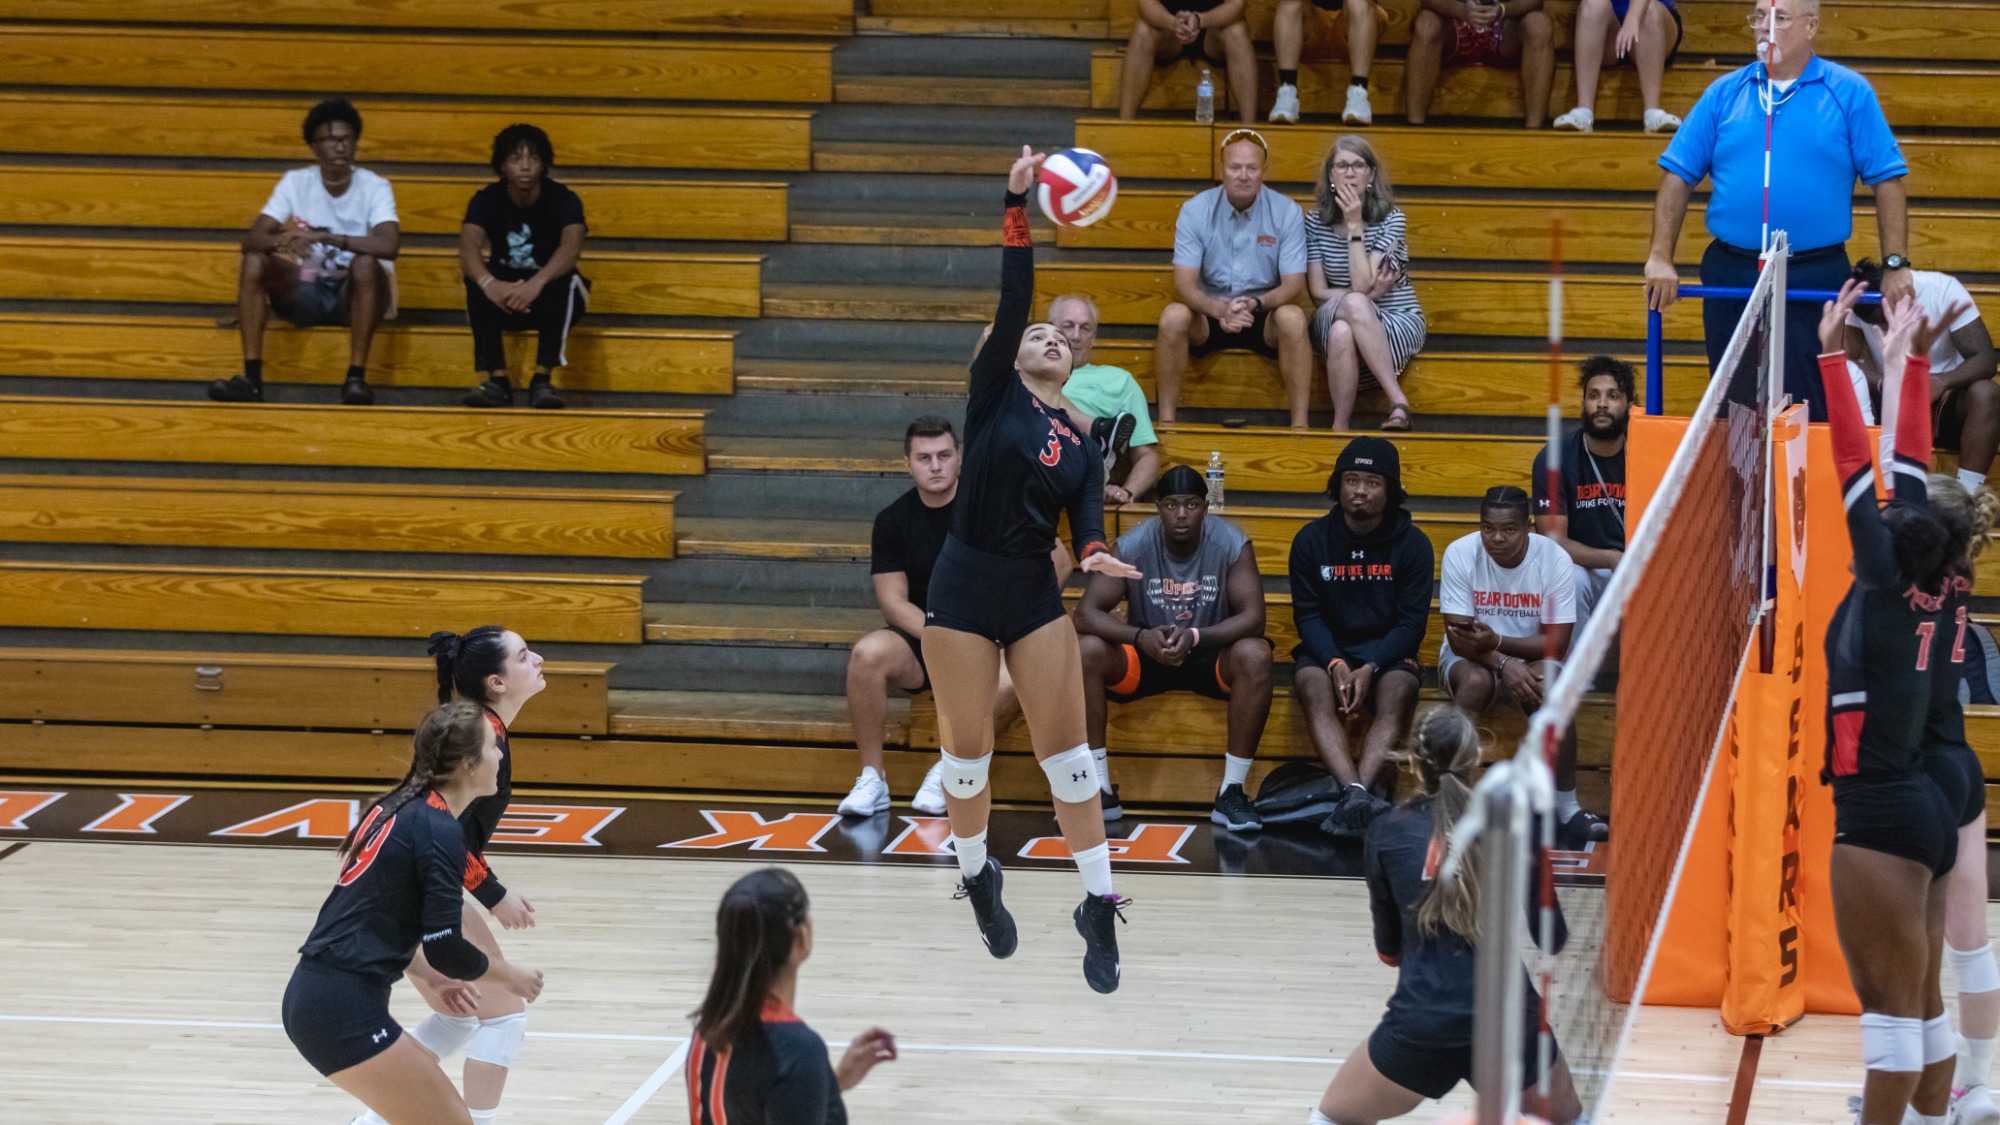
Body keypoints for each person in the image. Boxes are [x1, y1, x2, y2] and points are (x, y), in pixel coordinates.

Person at [922, 147, 1143, 994]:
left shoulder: (1083, 444)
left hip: (1030, 592)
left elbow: (1084, 529)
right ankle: (978, 875)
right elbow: (1015, 297)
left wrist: (1096, 553)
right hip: (962, 586)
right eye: (1038, 334)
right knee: (967, 755)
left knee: (1072, 759)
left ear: (1074, 365)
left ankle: (1098, 903)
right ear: (1014, 355)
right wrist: (1014, 202)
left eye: (1062, 337)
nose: (1050, 337)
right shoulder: (994, 393)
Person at [1815, 281, 1971, 1125]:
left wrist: (1832, 358)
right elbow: (1904, 459)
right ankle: (1932, 1119)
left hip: (1880, 810)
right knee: (1922, 998)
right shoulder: (1934, 568)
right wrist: (1905, 362)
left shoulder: (1879, 580)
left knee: (1891, 1013)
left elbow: (1853, 463)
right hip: (1926, 801)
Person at [1308, 706, 1581, 1125]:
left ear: (1413, 762)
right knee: (1571, 1120)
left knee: (1330, 1118)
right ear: (1475, 760)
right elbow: (1551, 939)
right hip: (1509, 1022)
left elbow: (1389, 951)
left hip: (1423, 1026)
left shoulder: (1385, 831)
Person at [1644, 0, 1911, 423]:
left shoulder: (1849, 92)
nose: (1765, 27)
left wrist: (1895, 264)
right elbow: (1677, 175)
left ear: (1811, 27)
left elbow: (1887, 181)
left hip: (1813, 274)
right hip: (1732, 272)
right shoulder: (1723, 93)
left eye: (1780, 17)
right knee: (1736, 413)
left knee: (1809, 409)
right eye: (1759, 16)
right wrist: (1660, 255)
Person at [282, 702, 544, 1125]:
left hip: (319, 996)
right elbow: (446, 947)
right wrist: (509, 975)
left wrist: (430, 976)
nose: (500, 755)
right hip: (340, 1009)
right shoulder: (438, 830)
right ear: (468, 763)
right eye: (492, 747)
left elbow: (371, 917)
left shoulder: (401, 806)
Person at [362, 627, 547, 1125]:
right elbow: (445, 834)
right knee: (504, 1016)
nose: (538, 659)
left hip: (402, 888)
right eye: (524, 656)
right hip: (416, 890)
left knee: (457, 1015)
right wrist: (494, 893)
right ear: (496, 682)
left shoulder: (479, 730)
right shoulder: (480, 739)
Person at [841, 416, 1048, 820]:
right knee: (867, 654)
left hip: (990, 636)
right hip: (925, 636)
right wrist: (945, 636)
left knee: (1013, 677)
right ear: (907, 464)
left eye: (943, 455)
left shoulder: (992, 507)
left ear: (960, 458)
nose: (935, 466)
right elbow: (892, 602)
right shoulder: (892, 520)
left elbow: (1055, 561)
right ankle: (872, 779)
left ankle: (951, 769)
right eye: (924, 458)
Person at [1072, 464, 1272, 831]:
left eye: (1191, 505)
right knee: (1087, 650)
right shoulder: (1134, 544)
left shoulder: (1231, 542)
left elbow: (1254, 619)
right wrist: (1139, 637)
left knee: (1255, 653)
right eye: (1171, 505)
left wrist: (1195, 636)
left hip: (1207, 653)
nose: (1181, 514)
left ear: (1205, 507)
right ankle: (1098, 788)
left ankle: (1231, 791)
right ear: (1158, 508)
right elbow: (1085, 614)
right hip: (1146, 654)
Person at [1439, 486, 1607, 846]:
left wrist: (1499, 646)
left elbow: (1556, 645)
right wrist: (1503, 664)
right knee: (1475, 683)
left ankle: (1567, 807)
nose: (1497, 538)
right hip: (1471, 658)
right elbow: (1459, 639)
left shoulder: (1554, 559)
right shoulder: (1460, 553)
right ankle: (1451, 799)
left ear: (1528, 527)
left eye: (1509, 529)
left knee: (1554, 690)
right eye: (1488, 528)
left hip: (1531, 657)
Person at [211, 98, 399, 406]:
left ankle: (356, 378)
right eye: (331, 140)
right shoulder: (295, 182)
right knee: (255, 260)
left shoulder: (375, 186)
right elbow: (253, 239)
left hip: (354, 293)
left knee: (365, 264)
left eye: (347, 139)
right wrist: (284, 242)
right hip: (308, 288)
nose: (341, 147)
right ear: (314, 146)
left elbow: (389, 246)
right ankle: (252, 380)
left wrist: (329, 238)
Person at [1289, 437, 1432, 838]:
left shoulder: (1414, 544)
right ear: (1338, 485)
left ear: (1390, 489)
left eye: (1372, 482)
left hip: (1386, 651)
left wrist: (1371, 665)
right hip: (1329, 649)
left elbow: (1411, 624)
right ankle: (1356, 793)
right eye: (1352, 479)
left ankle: (1356, 793)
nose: (1360, 490)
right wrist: (1335, 662)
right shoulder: (1310, 540)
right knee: (1311, 683)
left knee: (1399, 689)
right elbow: (1308, 616)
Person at [687, 868, 898, 1125]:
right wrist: (808, 1072)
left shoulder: (710, 1026)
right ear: (800, 937)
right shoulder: (797, 1051)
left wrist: (832, 1082)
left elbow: (752, 1102)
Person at [1923, 477, 2000, 1125]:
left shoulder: (1899, 596)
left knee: (1912, 953)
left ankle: (1918, 1096)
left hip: (1915, 774)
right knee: (1972, 944)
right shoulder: (1962, 584)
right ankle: (1976, 1085)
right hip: (1961, 767)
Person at [1156, 130, 1313, 428]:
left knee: (1293, 318)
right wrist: (1218, 309)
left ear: (1264, 171)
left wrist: (1256, 303)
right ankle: (1166, 422)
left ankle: (1300, 427)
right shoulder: (1195, 210)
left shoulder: (1287, 211)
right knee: (1173, 316)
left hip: (1262, 313)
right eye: (1235, 167)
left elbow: (1294, 286)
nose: (1243, 176)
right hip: (1210, 313)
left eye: (1252, 168)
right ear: (1221, 169)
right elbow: (1183, 285)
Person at [459, 124, 589, 410]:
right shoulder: (486, 199)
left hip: (547, 295)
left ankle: (543, 379)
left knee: (565, 281)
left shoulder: (563, 199)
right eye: (516, 159)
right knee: (475, 280)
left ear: (544, 164)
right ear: (503, 166)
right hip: (505, 296)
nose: (526, 166)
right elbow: (468, 247)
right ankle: (497, 381)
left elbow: (571, 247)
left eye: (534, 158)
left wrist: (536, 284)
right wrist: (490, 285)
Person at [1844, 259, 1998, 494]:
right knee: (1847, 385)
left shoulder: (1942, 290)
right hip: (1891, 401)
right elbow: (1847, 363)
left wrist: (1941, 381)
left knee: (1986, 393)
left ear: (1898, 297)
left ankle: (1968, 496)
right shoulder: (1862, 300)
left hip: (1941, 400)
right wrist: (1885, 383)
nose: (1888, 329)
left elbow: (1986, 359)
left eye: (1887, 319)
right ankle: (1869, 489)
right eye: (1878, 326)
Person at [1303, 136, 1425, 432]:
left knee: (1343, 330)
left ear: (1371, 175)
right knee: (1350, 311)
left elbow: (1360, 284)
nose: (1350, 173)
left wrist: (1355, 225)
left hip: (1395, 320)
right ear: (1330, 174)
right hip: (1333, 312)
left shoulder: (1392, 219)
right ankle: (1398, 401)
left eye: (1358, 165)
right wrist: (1364, 295)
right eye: (1342, 165)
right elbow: (1318, 291)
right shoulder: (1314, 222)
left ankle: (1339, 427)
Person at [1532, 356, 1631, 635]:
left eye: (1613, 396)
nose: (1602, 404)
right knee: (1570, 578)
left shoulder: (1645, 452)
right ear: (1583, 403)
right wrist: (1610, 558)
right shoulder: (1554, 458)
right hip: (1584, 567)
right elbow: (1553, 541)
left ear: (1629, 406)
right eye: (1593, 395)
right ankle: (1576, 666)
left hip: (1635, 566)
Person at [1052, 295, 1163, 505]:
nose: (1076, 336)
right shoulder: (1030, 372)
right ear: (1051, 330)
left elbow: (1147, 456)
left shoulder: (1119, 380)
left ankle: (1095, 436)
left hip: (1078, 463)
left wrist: (1127, 492)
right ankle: (1098, 430)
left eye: (1085, 328)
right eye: (1068, 326)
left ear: (1093, 338)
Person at [1405, 0, 1556, 130]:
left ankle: (1534, 133)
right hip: (1454, 21)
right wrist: (1461, 10)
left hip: (1505, 26)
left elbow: (1535, 2)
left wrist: (1502, 10)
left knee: (1539, 25)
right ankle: (1414, 130)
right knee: (1426, 24)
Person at [1553, 0, 1684, 134]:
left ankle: (1653, 111)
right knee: (1593, 4)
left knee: (1649, 10)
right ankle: (1583, 110)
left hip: (1654, 26)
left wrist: (1632, 18)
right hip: (1609, 30)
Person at [1118, 0, 1257, 125]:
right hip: (1169, 29)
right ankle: (1124, 127)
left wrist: (1200, 20)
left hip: (1213, 28)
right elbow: (1145, 4)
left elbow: (1237, 5)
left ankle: (1250, 130)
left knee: (1237, 32)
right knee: (1142, 31)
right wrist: (1172, 23)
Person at [1270, 0, 1382, 126]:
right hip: (1312, 21)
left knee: (1358, 2)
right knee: (1290, 2)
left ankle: (1359, 92)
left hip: (1354, 20)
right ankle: (1287, 92)